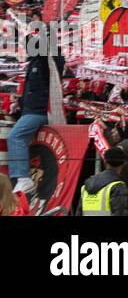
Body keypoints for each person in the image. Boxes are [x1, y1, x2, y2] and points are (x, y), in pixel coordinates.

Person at [7, 24, 64, 198]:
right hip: (30, 110)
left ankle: (23, 178)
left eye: (33, 39)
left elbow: (51, 52)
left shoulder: (52, 57)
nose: (29, 43)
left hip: (40, 112)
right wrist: (20, 101)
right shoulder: (34, 61)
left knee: (15, 136)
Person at [80, 146, 128, 216]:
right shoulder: (118, 187)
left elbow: (79, 212)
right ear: (123, 164)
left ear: (105, 161)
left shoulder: (86, 186)